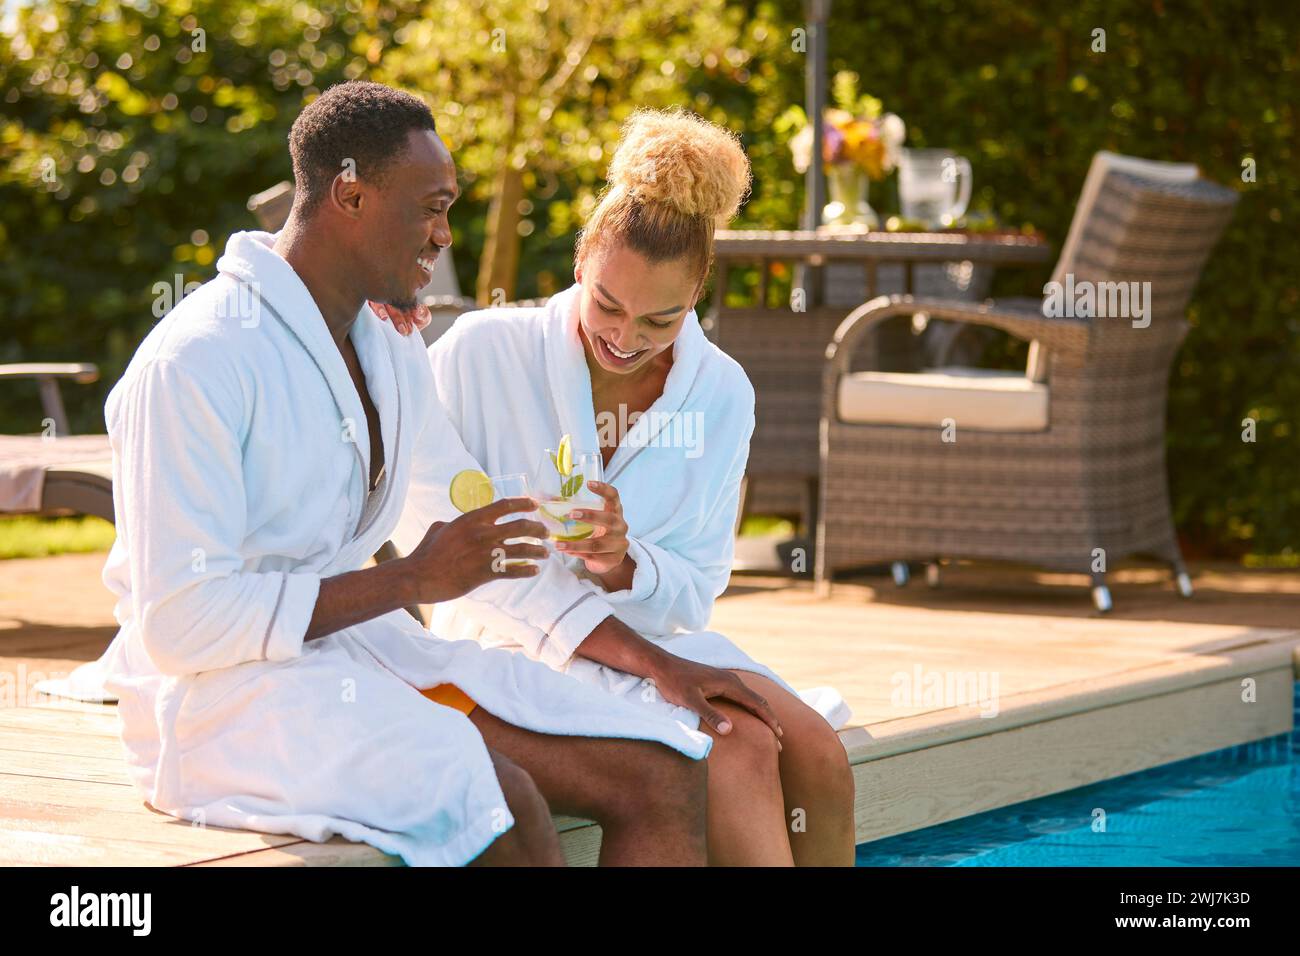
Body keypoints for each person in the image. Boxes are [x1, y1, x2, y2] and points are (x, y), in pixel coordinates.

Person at [58, 82, 728, 867]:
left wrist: (611, 590)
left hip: (362, 654)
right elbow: (179, 625)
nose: (445, 235)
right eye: (431, 208)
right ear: (350, 194)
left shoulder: (386, 343)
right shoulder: (198, 362)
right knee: (493, 804)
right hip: (222, 703)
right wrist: (408, 583)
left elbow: (461, 518)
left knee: (664, 769)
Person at [392, 109, 856, 866]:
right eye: (608, 304)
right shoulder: (482, 354)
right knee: (736, 748)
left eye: (660, 319)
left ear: (699, 291)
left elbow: (698, 589)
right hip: (510, 645)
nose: (625, 338)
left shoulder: (721, 394)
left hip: (654, 639)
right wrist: (638, 651)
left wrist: (623, 562)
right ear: (581, 261)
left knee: (818, 756)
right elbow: (438, 549)